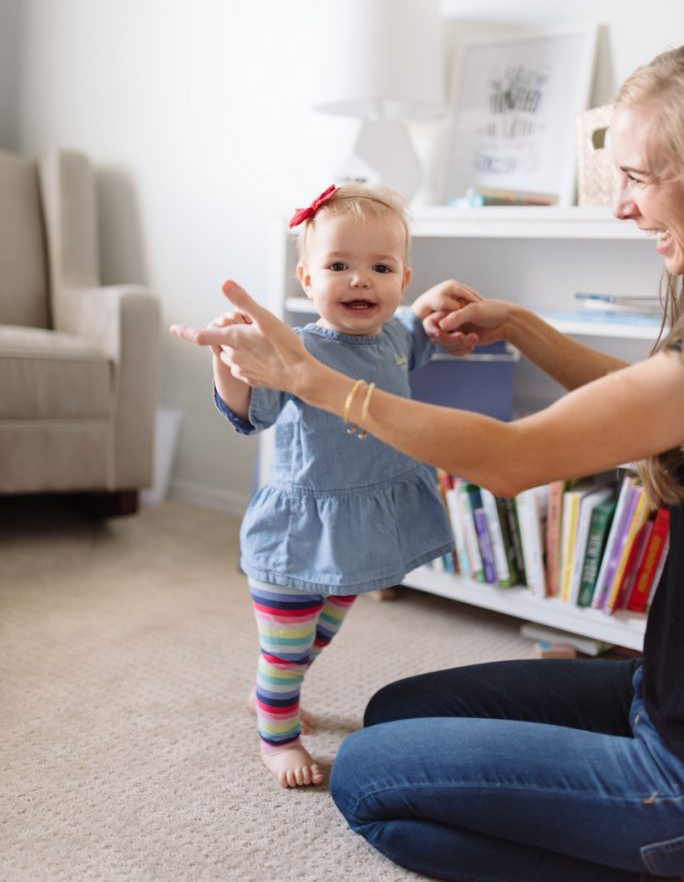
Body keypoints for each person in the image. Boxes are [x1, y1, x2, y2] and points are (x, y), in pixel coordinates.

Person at [171, 46, 684, 879]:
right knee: (393, 711)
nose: (621, 205)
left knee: (366, 777)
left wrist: (319, 378)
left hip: (676, 766)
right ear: (307, 274)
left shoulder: (350, 347)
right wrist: (514, 324)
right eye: (339, 266)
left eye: (636, 177)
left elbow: (511, 457)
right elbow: (647, 397)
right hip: (659, 694)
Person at [171, 181, 481, 790]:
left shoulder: (394, 336)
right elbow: (249, 414)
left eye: (380, 268)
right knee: (286, 650)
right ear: (307, 278)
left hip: (358, 533)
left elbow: (416, 332)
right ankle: (277, 736)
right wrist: (226, 360)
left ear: (402, 278)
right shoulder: (295, 350)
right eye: (339, 265)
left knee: (323, 633)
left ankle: (273, 690)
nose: (360, 280)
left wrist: (434, 304)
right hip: (298, 535)